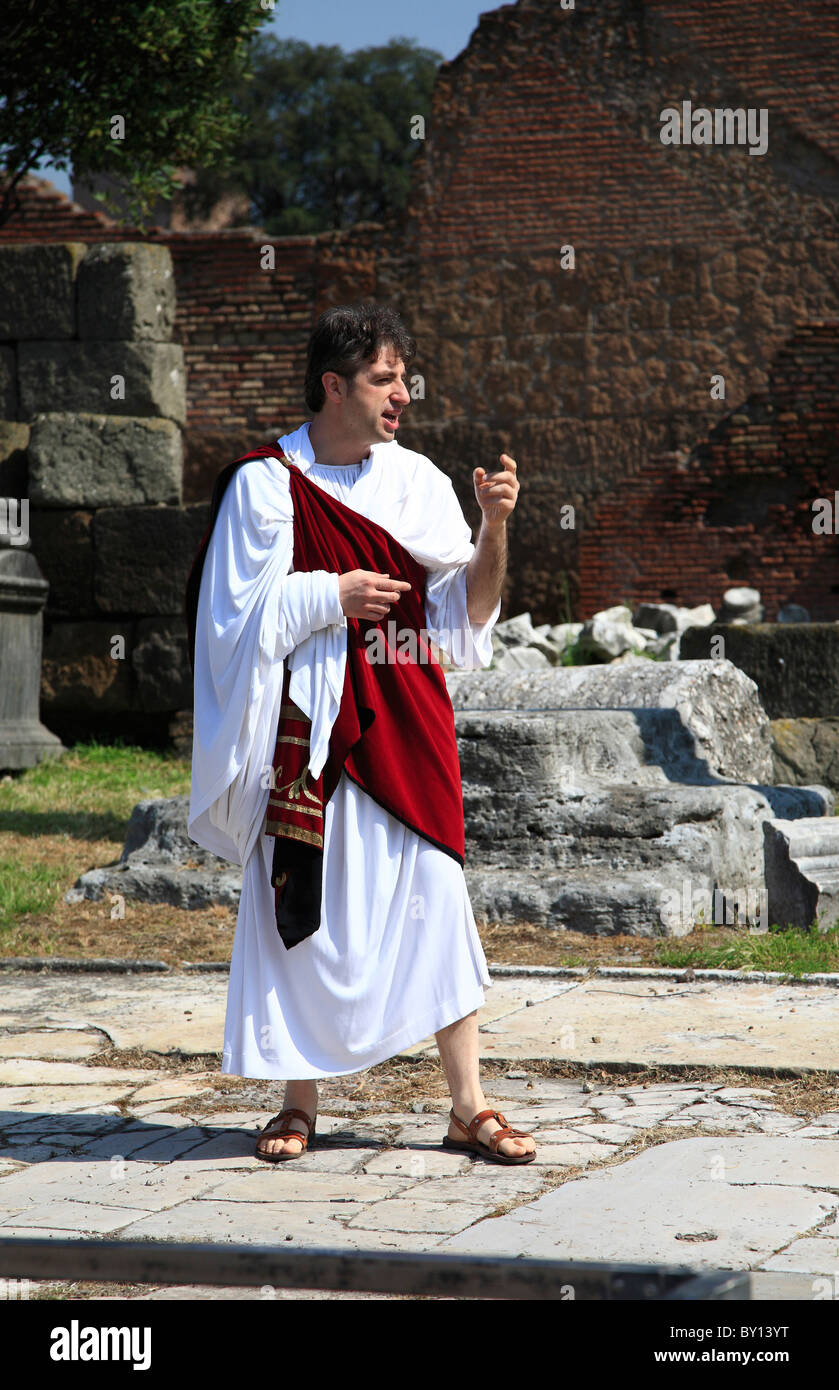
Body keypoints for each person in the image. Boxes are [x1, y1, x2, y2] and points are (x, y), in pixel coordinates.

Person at [186, 302, 536, 1166]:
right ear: (332, 385)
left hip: (405, 716)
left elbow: (460, 623)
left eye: (404, 379)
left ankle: (468, 1105)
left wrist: (493, 526)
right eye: (384, 379)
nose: (401, 396)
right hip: (308, 729)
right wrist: (326, 596)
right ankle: (296, 1103)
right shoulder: (264, 484)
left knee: (436, 901)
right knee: (300, 898)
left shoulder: (412, 480)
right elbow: (227, 623)